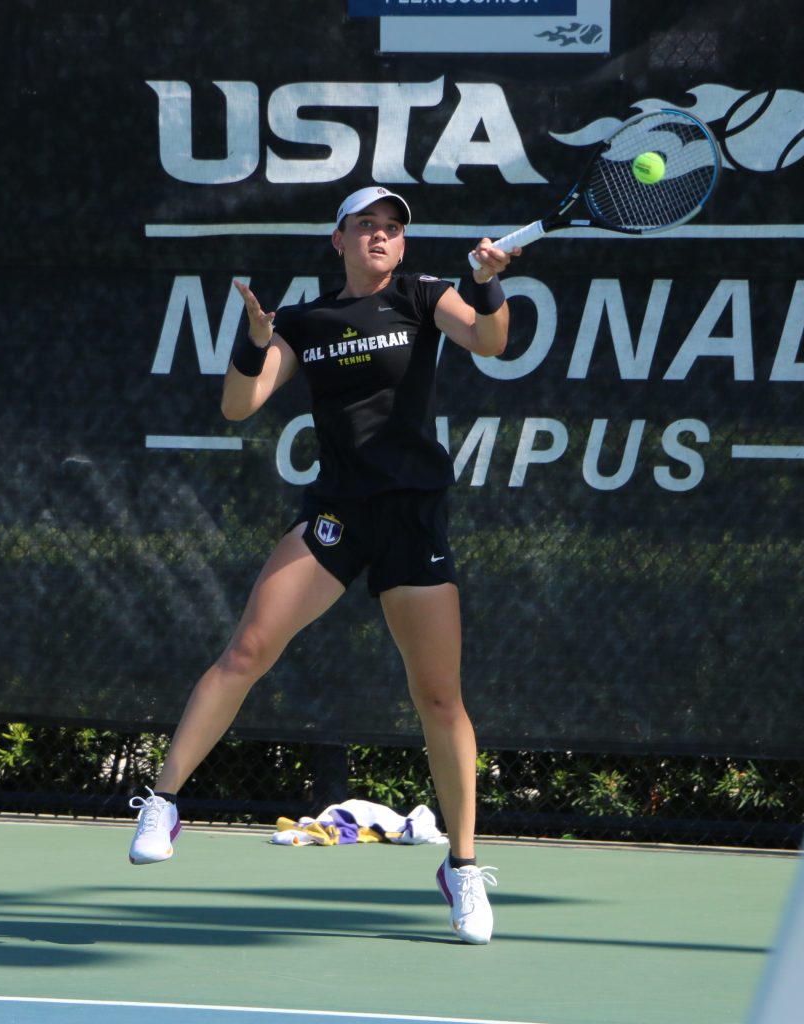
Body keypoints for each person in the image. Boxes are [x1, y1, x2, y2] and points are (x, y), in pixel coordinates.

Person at [127, 185, 519, 945]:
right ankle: (164, 804)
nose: (380, 235)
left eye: (392, 227)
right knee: (246, 650)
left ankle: (463, 868)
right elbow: (239, 405)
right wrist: (254, 338)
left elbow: (489, 342)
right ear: (337, 240)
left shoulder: (423, 296)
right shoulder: (305, 323)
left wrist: (487, 281)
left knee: (440, 699)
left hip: (412, 517)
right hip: (338, 514)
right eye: (366, 225)